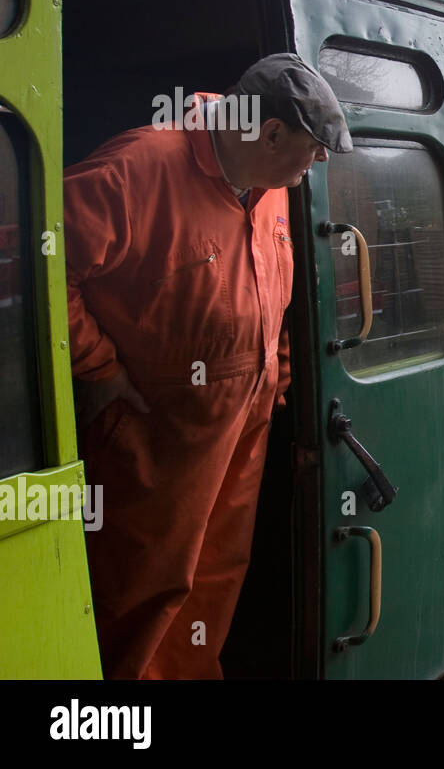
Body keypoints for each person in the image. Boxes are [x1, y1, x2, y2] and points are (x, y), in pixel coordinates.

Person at [65, 53, 352, 679]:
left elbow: (271, 280)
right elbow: (36, 266)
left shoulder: (268, 184)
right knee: (140, 593)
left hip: (239, 432)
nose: (314, 170)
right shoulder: (136, 170)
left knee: (215, 578)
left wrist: (274, 368)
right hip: (154, 435)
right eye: (310, 152)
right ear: (270, 133)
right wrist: (99, 368)